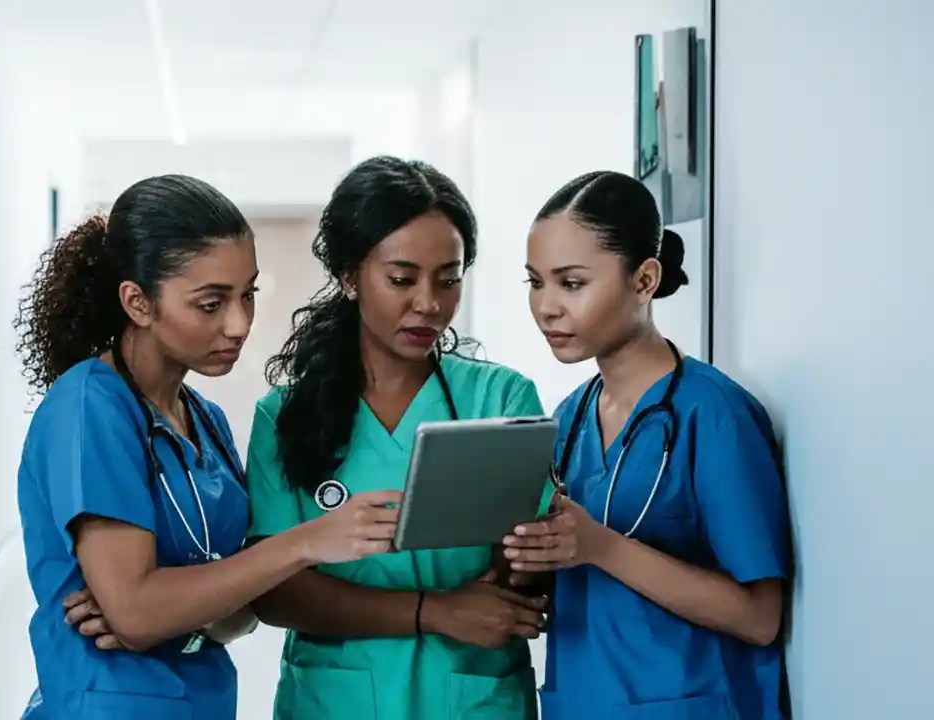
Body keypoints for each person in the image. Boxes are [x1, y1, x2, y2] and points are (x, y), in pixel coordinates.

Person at [14, 174, 403, 719]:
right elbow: (139, 612)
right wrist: (303, 544)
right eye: (210, 303)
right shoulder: (89, 408)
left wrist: (179, 609)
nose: (239, 323)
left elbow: (242, 610)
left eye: (248, 295)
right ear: (137, 302)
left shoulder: (207, 420)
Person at [245, 156, 550, 720]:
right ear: (348, 275)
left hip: (473, 696)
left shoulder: (501, 401)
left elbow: (527, 569)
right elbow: (274, 591)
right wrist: (434, 611)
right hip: (338, 700)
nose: (429, 304)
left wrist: (528, 563)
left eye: (449, 278)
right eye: (402, 279)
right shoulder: (283, 416)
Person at [506, 170, 790, 719]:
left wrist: (600, 547)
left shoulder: (712, 414)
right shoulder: (568, 419)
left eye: (571, 282)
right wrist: (526, 561)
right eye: (535, 282)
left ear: (643, 281)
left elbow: (759, 617)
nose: (546, 306)